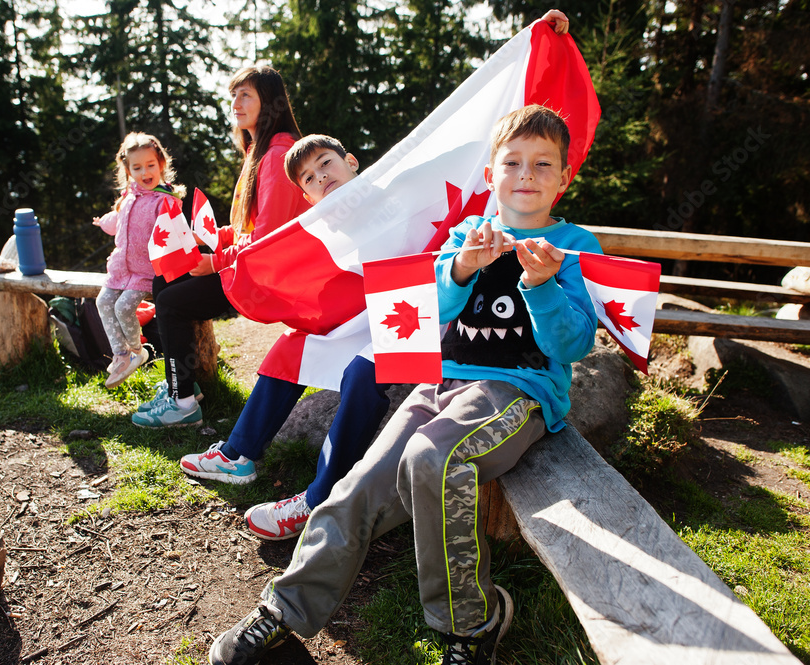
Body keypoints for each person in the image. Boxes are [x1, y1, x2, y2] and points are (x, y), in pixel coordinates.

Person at [207, 103, 602, 665]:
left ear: (564, 177)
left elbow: (573, 345)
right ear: (491, 176)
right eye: (512, 163)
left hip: (520, 390)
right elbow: (429, 303)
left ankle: (473, 623)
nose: (526, 176)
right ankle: (284, 610)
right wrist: (462, 266)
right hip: (441, 383)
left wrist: (540, 285)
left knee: (431, 460)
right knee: (356, 487)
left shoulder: (574, 245)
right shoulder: (470, 232)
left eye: (543, 165)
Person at [179, 134, 389, 542]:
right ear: (307, 197)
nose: (321, 177)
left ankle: (322, 497)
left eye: (326, 163)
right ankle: (239, 454)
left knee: (364, 377)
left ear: (352, 161)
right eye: (309, 178)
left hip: (413, 313)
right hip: (361, 319)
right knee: (294, 346)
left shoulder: (391, 196)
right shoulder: (325, 222)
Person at [132, 65, 311, 428]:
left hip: (267, 277)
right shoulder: (260, 151)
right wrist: (208, 237)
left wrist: (216, 261)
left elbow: (269, 240)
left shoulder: (277, 155)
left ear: (270, 103)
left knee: (170, 302)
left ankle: (182, 405)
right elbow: (254, 226)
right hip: (251, 264)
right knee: (166, 279)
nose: (235, 103)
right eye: (234, 95)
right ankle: (181, 386)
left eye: (245, 95)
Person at [92, 132, 181, 389]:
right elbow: (117, 220)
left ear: (161, 164)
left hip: (145, 271)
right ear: (129, 170)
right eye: (137, 167)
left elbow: (174, 231)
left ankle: (136, 350)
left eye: (150, 165)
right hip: (120, 269)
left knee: (123, 307)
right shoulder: (128, 197)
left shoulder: (164, 200)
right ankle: (121, 354)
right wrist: (103, 222)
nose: (145, 172)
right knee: (103, 301)